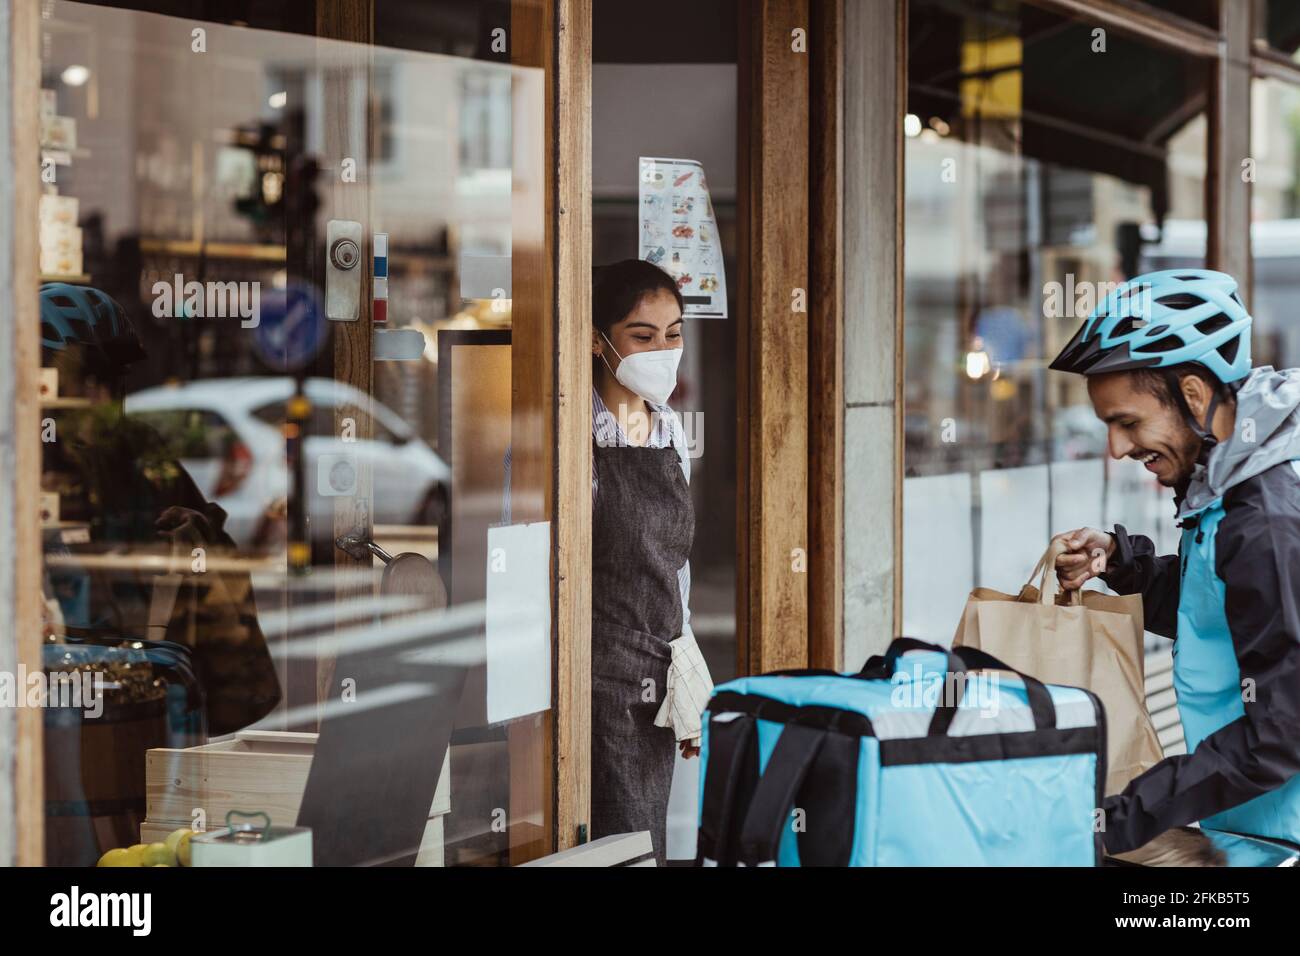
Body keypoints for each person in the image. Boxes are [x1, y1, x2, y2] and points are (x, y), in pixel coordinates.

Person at [1048, 268, 1300, 854]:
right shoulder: (1232, 484)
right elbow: (1216, 612)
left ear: (1192, 394)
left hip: (1282, 838)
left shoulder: (1265, 516)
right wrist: (1122, 564)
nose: (1116, 448)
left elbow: (1283, 730)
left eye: (1127, 422)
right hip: (1248, 830)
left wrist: (1124, 817)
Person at [588, 259, 713, 864]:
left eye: (674, 333)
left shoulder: (669, 432)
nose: (663, 350)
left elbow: (677, 571)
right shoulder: (569, 439)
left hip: (659, 678)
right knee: (620, 841)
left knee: (652, 842)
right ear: (597, 339)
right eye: (642, 336)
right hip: (596, 678)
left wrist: (687, 677)